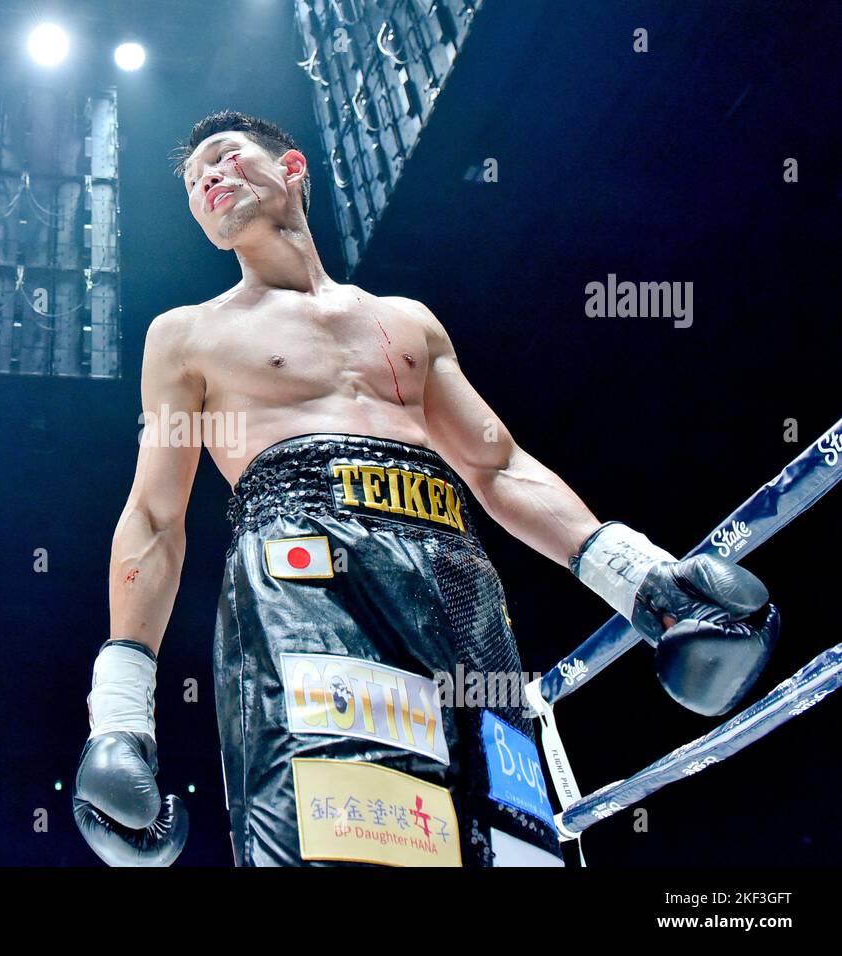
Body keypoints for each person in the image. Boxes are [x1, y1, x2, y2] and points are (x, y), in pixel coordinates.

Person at [71, 110, 779, 867]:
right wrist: (119, 716)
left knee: (513, 845)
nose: (205, 178)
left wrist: (645, 580)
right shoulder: (187, 334)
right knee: (352, 841)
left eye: (222, 157)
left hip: (456, 578)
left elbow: (498, 468)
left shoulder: (408, 323)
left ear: (292, 168)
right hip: (306, 575)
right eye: (192, 179)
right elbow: (153, 514)